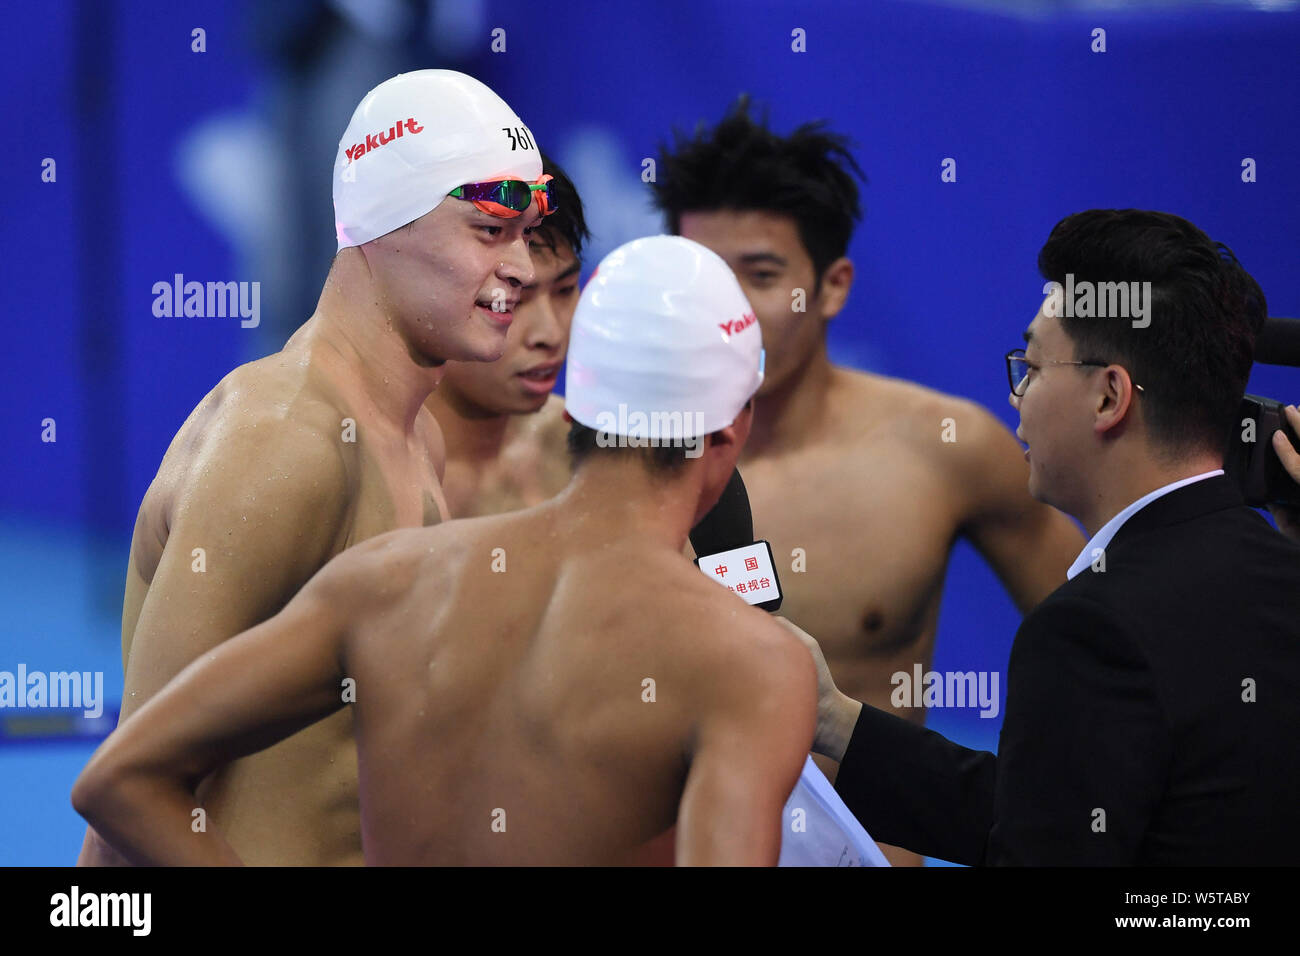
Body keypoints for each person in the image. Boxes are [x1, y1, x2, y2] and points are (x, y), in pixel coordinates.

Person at [71, 236, 817, 866]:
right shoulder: (753, 665)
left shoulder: (385, 580)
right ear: (729, 429)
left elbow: (118, 782)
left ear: (582, 399)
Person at [76, 70, 552, 866]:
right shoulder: (286, 439)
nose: (524, 269)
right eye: (487, 230)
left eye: (528, 235)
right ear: (386, 223)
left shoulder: (411, 437)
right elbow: (123, 809)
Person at [651, 98, 1084, 865]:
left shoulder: (947, 450)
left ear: (833, 285)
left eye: (760, 275)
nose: (727, 308)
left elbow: (1103, 645)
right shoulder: (602, 459)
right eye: (701, 276)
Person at [799, 209, 1300, 864]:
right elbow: (1062, 811)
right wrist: (838, 720)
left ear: (1108, 398)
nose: (1017, 397)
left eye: (1030, 366)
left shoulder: (1091, 628)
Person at [425, 154, 588, 518]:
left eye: (565, 290)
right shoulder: (372, 475)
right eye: (517, 298)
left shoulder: (593, 454)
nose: (551, 334)